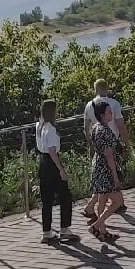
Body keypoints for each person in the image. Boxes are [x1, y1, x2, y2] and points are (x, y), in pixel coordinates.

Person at [82, 79, 131, 218]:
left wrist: (92, 145)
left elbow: (86, 128)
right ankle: (101, 213)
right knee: (110, 175)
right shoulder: (114, 104)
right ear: (107, 88)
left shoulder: (89, 105)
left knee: (103, 177)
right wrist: (127, 144)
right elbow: (121, 126)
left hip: (98, 145)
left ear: (95, 89)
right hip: (111, 143)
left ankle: (94, 208)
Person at [35, 99, 78, 245]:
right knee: (65, 196)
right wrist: (61, 170)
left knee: (46, 200)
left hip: (42, 162)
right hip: (52, 163)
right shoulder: (51, 129)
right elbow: (53, 152)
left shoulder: (39, 126)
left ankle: (47, 232)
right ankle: (64, 229)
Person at [86, 99, 124, 244]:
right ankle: (96, 226)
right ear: (102, 115)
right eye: (108, 112)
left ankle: (103, 231)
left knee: (102, 198)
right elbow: (109, 154)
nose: (111, 113)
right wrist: (115, 176)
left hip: (97, 167)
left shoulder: (95, 128)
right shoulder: (105, 131)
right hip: (106, 169)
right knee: (118, 200)